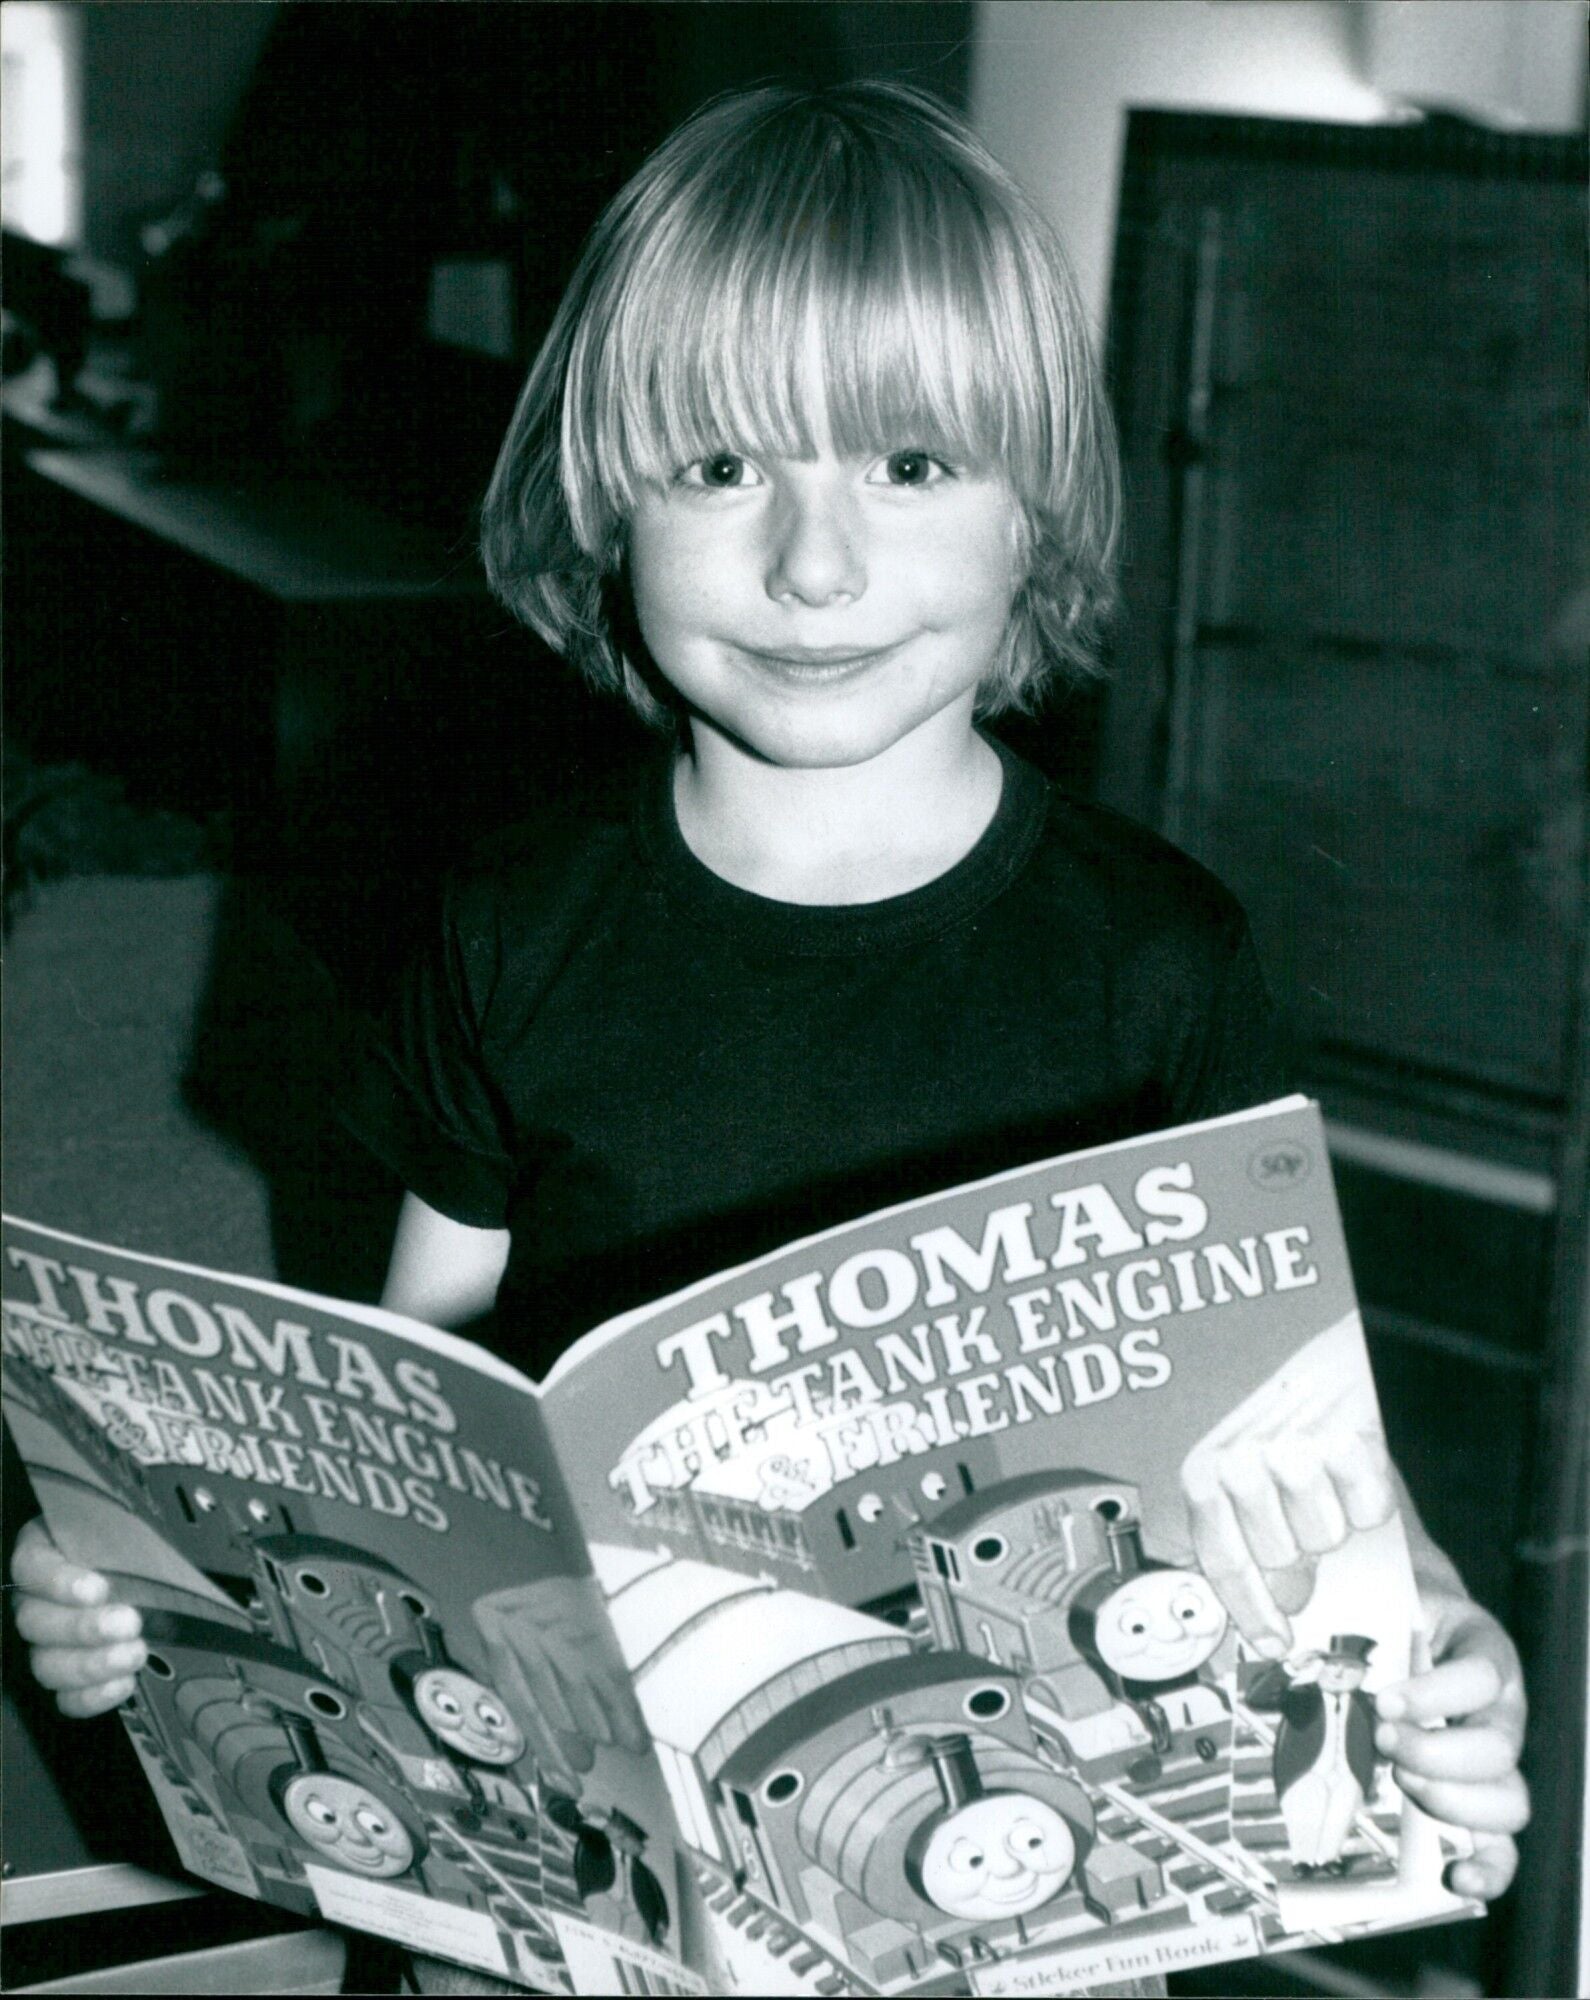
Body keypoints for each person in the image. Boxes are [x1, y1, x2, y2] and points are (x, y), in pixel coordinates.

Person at [10, 78, 1528, 1980]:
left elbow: (1298, 1430)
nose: (813, 568)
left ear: (1034, 504)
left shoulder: (1156, 955)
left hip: (1020, 1869)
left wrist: (1446, 1643)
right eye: (721, 469)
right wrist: (139, 1580)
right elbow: (402, 1431)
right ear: (603, 500)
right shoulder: (510, 924)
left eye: (907, 467)